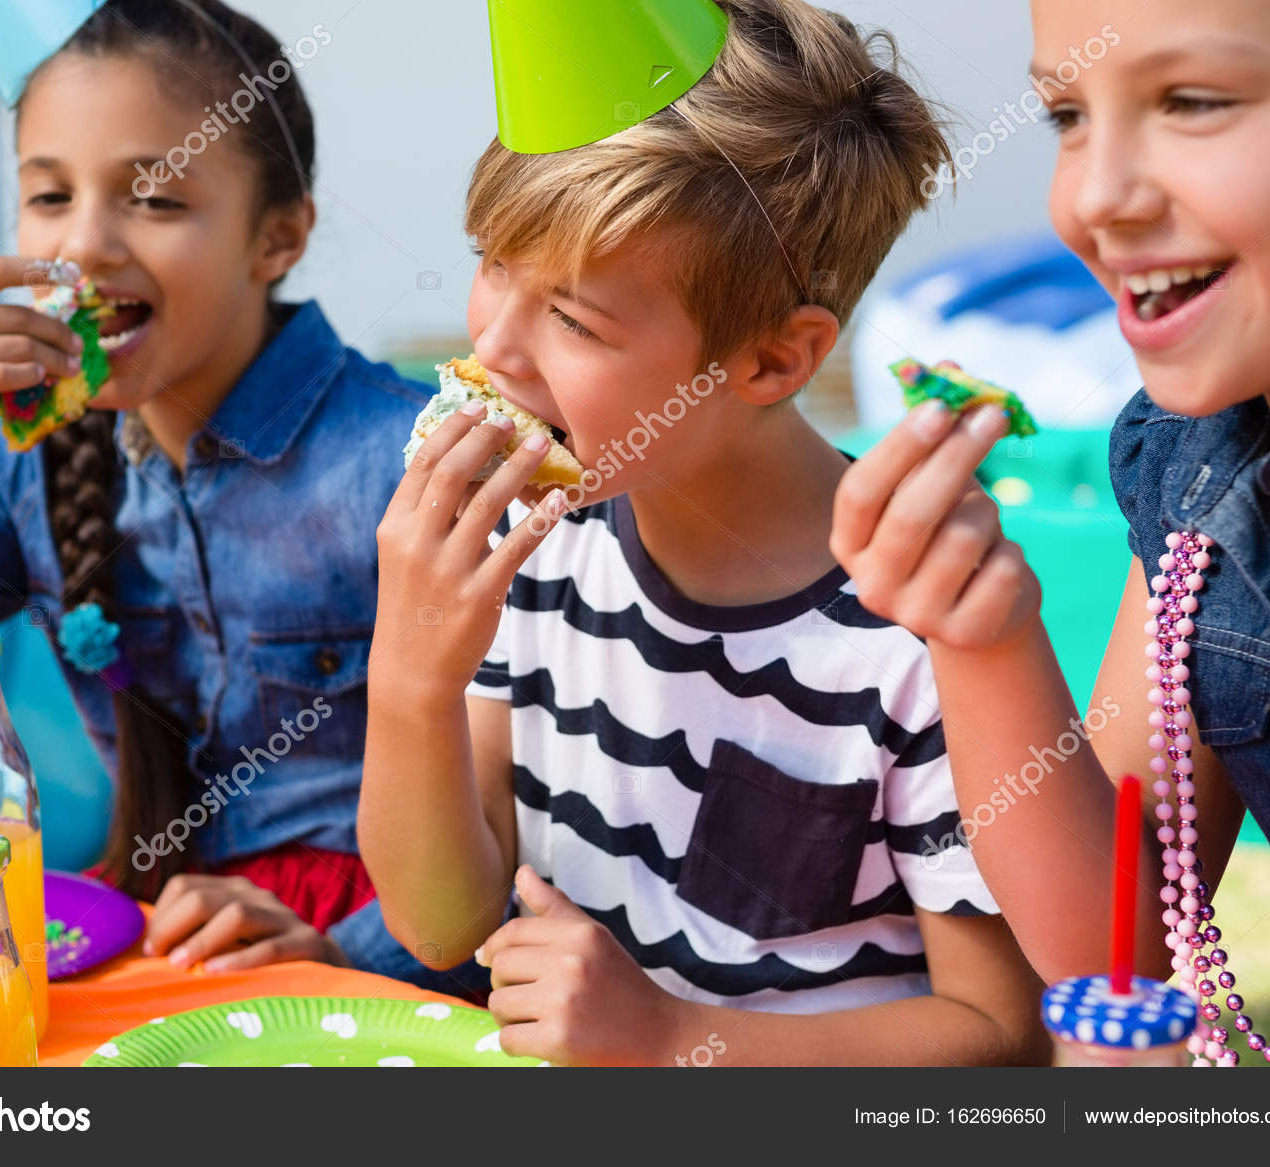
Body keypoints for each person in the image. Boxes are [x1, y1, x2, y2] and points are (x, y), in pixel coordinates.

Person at [359, 0, 1048, 1066]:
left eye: (574, 319)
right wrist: (409, 683)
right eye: (492, 262)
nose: (493, 348)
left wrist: (676, 1039)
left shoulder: (914, 625)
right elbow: (441, 925)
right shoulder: (538, 544)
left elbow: (1000, 1032)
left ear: (772, 359)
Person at [0, 0, 466, 992]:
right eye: (48, 196)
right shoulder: (33, 465)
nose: (82, 245)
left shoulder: (409, 461)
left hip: (385, 967)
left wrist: (350, 950)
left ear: (277, 236)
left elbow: (539, 801)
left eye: (155, 199)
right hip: (159, 939)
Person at [831, 0, 1270, 1018]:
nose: (1094, 200)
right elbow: (1118, 942)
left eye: (1192, 101)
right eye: (1067, 116)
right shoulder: (1193, 460)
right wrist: (984, 639)